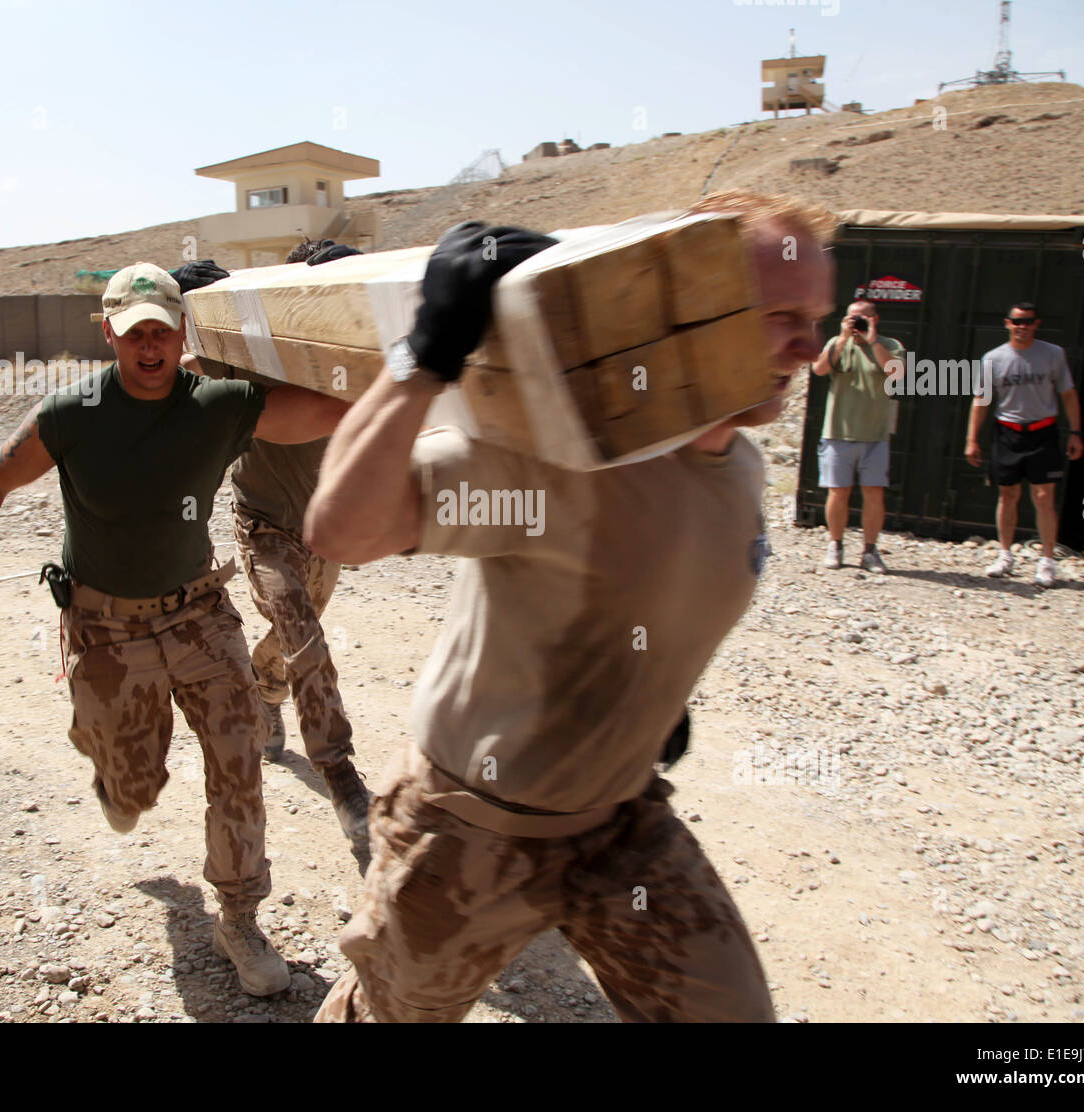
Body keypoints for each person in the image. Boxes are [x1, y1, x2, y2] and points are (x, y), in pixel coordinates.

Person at [303, 190, 836, 1023]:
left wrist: (645, 696)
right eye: (781, 316)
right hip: (470, 832)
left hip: (622, 823)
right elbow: (342, 527)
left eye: (817, 317)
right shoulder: (557, 454)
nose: (810, 346)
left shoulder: (739, 468)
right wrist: (427, 351)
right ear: (690, 311)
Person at [0, 263, 349, 997]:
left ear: (182, 333)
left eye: (163, 330)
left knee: (238, 765)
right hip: (107, 630)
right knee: (132, 795)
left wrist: (402, 377)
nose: (150, 345)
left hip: (200, 618)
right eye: (135, 333)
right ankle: (114, 768)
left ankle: (240, 917)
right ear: (110, 335)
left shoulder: (220, 406)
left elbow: (327, 412)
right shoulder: (73, 414)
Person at [223, 237, 371, 864]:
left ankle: (263, 687)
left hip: (322, 530)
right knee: (305, 637)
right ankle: (341, 777)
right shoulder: (250, 349)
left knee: (295, 637)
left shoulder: (351, 356)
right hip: (264, 528)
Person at [965, 302, 1084, 587]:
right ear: (1007, 323)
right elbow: (981, 400)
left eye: (1028, 321)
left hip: (1043, 431)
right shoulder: (993, 358)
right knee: (1007, 495)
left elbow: (1068, 394)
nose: (1023, 326)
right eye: (1017, 321)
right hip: (1008, 431)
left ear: (1036, 324)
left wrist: (1076, 431)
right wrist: (972, 439)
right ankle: (1005, 555)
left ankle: (1046, 561)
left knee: (1043, 497)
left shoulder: (1053, 354)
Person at [810, 298, 905, 573]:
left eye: (862, 317)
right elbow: (819, 369)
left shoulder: (890, 346)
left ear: (875, 319)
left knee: (874, 493)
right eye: (852, 317)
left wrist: (872, 339)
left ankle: (870, 551)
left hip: (874, 435)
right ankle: (835, 545)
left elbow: (897, 373)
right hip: (838, 432)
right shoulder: (838, 344)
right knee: (838, 492)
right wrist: (841, 337)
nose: (857, 323)